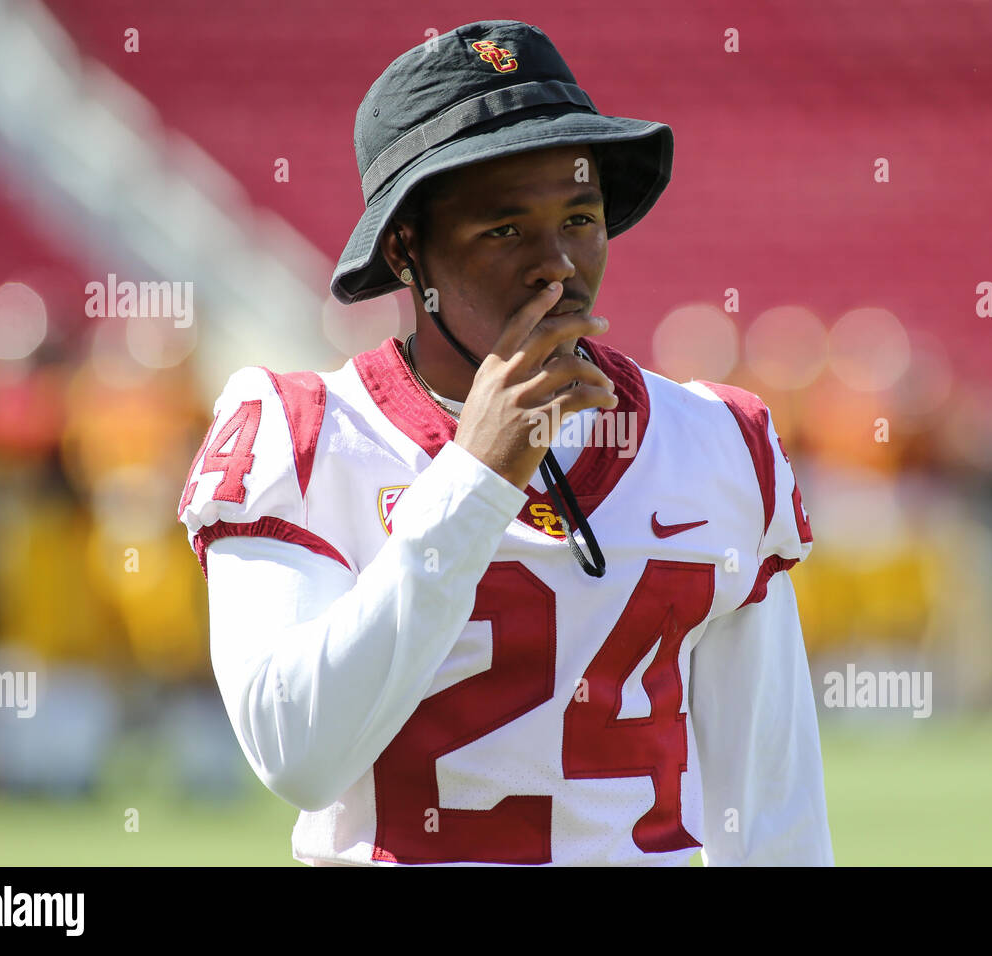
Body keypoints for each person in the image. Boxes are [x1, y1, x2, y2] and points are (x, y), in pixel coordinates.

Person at [178, 19, 832, 866]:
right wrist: (476, 478)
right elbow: (298, 756)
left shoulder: (715, 443)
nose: (556, 265)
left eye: (580, 217)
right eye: (504, 229)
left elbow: (774, 817)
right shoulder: (305, 434)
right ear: (408, 250)